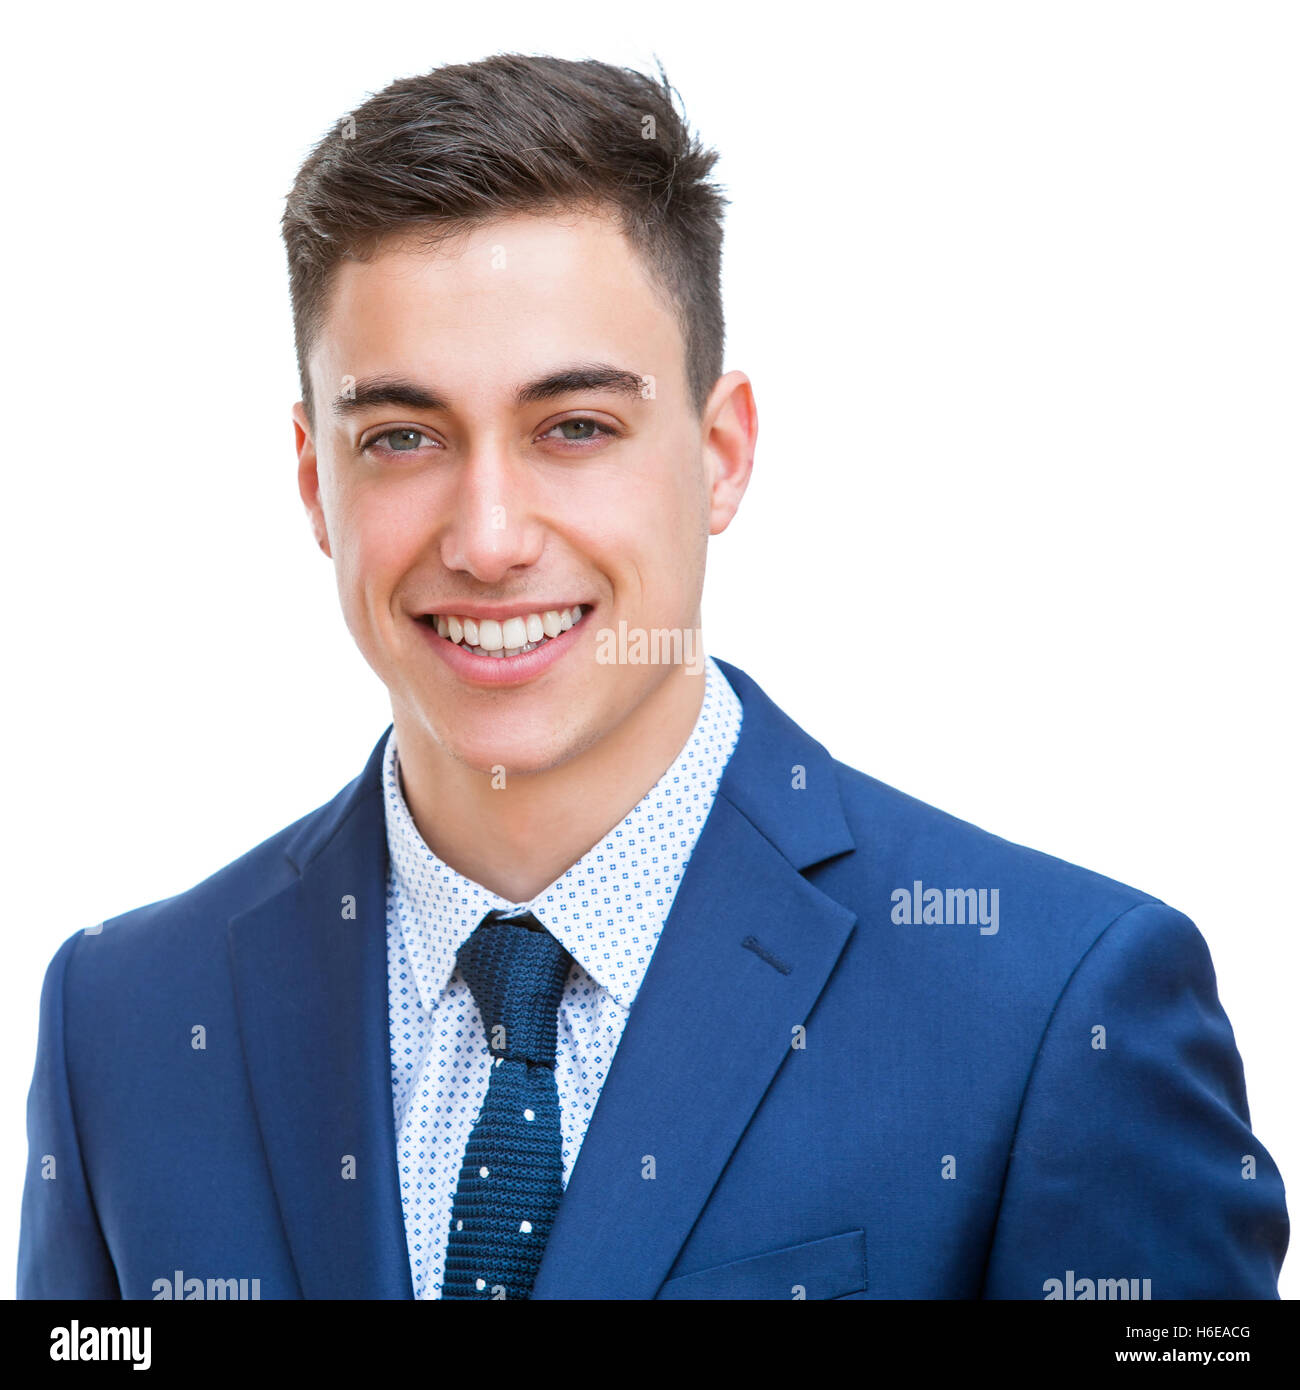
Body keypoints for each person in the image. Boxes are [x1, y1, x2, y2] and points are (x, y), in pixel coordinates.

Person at [18, 53, 1287, 1301]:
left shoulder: (1056, 1007)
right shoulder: (123, 1020)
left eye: (574, 428)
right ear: (316, 485)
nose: (490, 537)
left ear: (722, 452)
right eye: (402, 437)